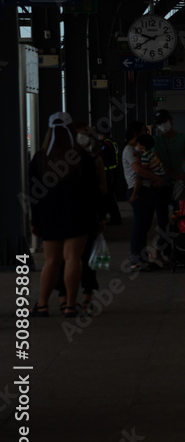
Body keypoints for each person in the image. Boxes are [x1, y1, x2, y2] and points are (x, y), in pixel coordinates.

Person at [28, 112, 102, 319]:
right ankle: (70, 305)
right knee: (73, 259)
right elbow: (93, 191)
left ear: (50, 131)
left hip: (49, 215)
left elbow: (33, 192)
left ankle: (42, 305)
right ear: (71, 131)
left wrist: (35, 220)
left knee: (51, 261)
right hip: (78, 214)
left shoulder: (40, 158)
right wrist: (98, 217)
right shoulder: (83, 158)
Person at [53, 124, 107, 314]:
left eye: (87, 135)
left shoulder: (93, 159)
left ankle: (83, 296)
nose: (85, 138)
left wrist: (101, 214)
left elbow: (103, 190)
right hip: (78, 215)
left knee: (82, 259)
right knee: (70, 259)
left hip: (81, 215)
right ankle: (68, 298)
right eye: (81, 135)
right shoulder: (65, 159)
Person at [151, 109, 185, 267]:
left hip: (179, 186)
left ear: (171, 120)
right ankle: (165, 252)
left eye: (164, 121)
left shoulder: (183, 137)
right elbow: (157, 163)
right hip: (160, 185)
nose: (162, 125)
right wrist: (175, 175)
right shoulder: (156, 141)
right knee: (163, 220)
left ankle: (178, 251)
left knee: (181, 218)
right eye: (159, 123)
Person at [122, 122, 164, 271]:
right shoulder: (129, 150)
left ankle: (142, 257)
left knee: (145, 224)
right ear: (135, 135)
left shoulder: (138, 150)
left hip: (145, 189)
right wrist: (156, 178)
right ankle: (136, 259)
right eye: (142, 132)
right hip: (136, 189)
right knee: (140, 225)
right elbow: (139, 170)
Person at [98, 127, 123, 224]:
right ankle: (110, 217)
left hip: (108, 173)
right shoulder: (113, 142)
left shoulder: (106, 144)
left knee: (108, 196)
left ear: (102, 135)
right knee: (108, 196)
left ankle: (115, 217)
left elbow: (104, 158)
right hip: (114, 172)